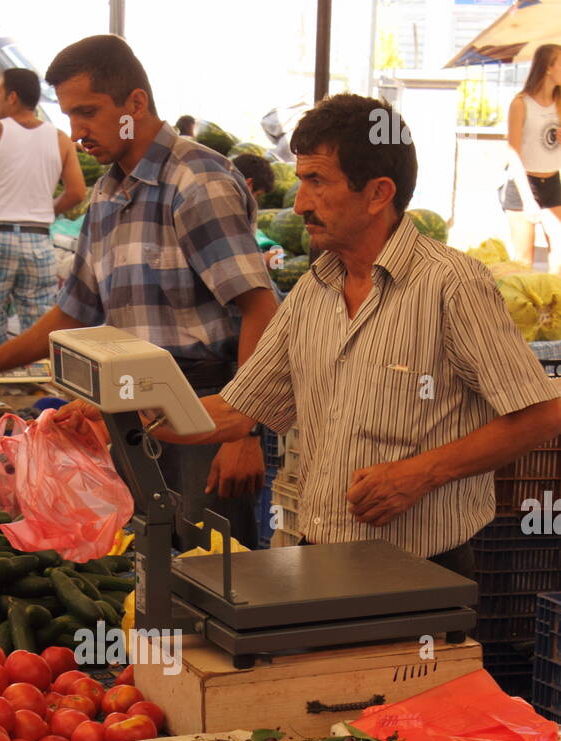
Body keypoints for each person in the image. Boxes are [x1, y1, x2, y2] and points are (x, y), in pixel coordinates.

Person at [143, 94, 561, 578]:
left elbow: (542, 414)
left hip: (420, 571)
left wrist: (421, 474)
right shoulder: (311, 291)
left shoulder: (451, 285)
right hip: (319, 559)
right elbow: (238, 412)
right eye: (300, 181)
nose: (299, 204)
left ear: (379, 193)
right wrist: (132, 412)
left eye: (317, 182)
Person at [0, 35, 276, 547]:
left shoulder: (196, 181)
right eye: (70, 115)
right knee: (146, 564)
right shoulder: (106, 196)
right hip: (134, 409)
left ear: (135, 104)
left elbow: (261, 308)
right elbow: (70, 315)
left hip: (208, 409)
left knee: (213, 571)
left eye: (88, 113)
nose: (76, 132)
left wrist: (247, 429)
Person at [0, 68, 85, 354]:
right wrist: (47, 210)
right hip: (38, 242)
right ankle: (38, 384)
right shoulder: (60, 138)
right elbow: (77, 192)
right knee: (38, 323)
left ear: (12, 97)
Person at [502, 44, 561, 272]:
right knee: (523, 262)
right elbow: (513, 152)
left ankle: (554, 306)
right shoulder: (521, 104)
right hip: (523, 185)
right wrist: (528, 199)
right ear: (548, 67)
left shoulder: (559, 102)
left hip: (552, 182)